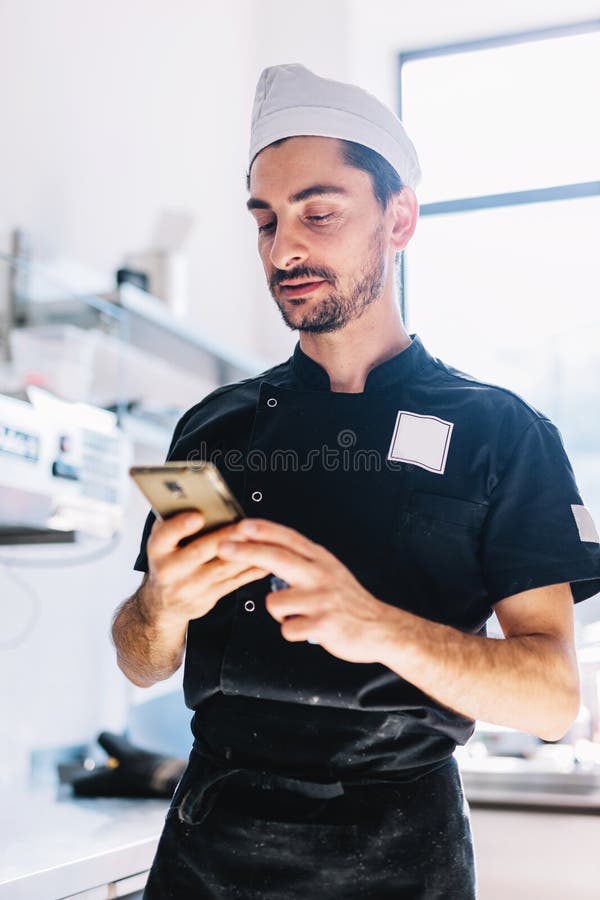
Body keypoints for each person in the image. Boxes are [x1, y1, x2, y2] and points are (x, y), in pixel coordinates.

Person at [111, 64, 600, 899]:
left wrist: (375, 626)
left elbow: (554, 699)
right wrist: (160, 605)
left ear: (399, 217)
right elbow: (140, 662)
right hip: (211, 845)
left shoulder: (502, 433)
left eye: (319, 213)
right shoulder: (213, 428)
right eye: (265, 221)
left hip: (401, 851)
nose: (284, 248)